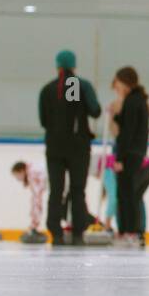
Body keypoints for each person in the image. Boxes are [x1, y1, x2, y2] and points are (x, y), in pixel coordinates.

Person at [39, 49, 101, 245]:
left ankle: (56, 233)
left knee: (56, 190)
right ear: (74, 65)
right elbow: (94, 111)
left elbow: (43, 120)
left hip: (55, 148)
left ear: (57, 65)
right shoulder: (75, 84)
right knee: (77, 190)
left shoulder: (47, 89)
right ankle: (77, 233)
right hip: (77, 148)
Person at [110, 66, 149, 246]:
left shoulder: (132, 101)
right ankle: (129, 231)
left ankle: (129, 231)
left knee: (126, 194)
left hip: (129, 154)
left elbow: (126, 133)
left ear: (125, 82)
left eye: (117, 82)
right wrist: (116, 116)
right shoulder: (138, 100)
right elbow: (128, 124)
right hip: (136, 152)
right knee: (127, 193)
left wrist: (119, 158)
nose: (116, 86)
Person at [11, 161, 48, 241]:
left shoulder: (32, 173)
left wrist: (33, 224)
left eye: (16, 176)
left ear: (21, 171)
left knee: (35, 202)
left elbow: (37, 198)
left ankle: (34, 228)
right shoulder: (35, 168)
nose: (18, 179)